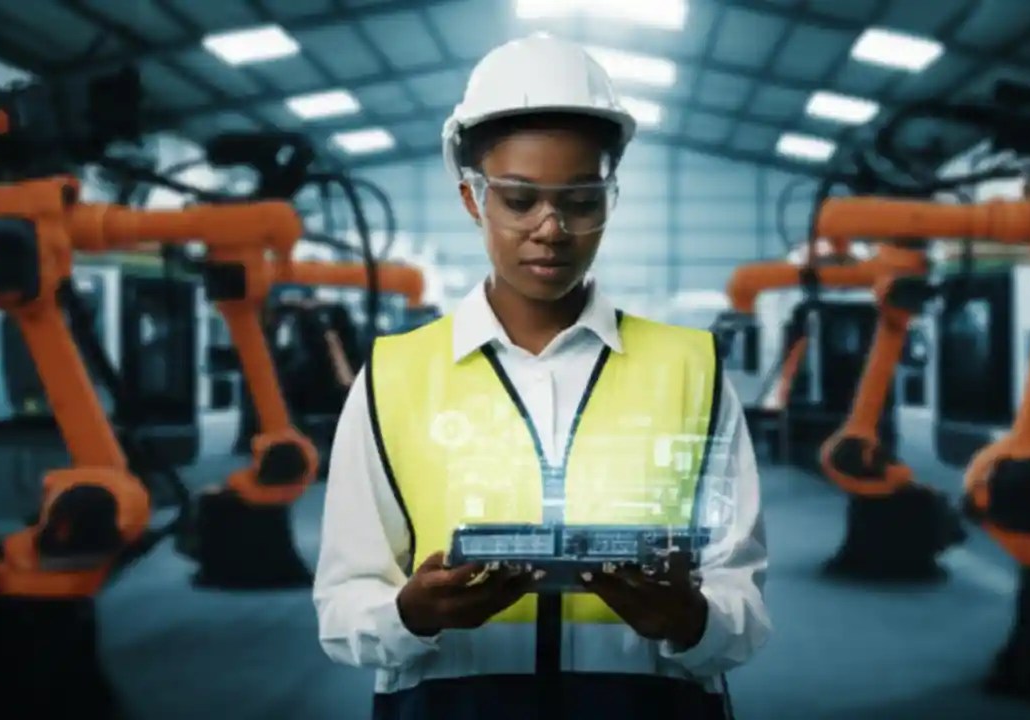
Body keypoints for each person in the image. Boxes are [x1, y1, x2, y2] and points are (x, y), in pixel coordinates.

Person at [313, 34, 770, 720]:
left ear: (611, 199)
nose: (551, 229)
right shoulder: (393, 376)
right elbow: (343, 606)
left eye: (581, 200)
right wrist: (409, 614)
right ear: (473, 199)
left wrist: (691, 620)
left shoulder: (692, 370)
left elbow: (744, 603)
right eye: (520, 200)